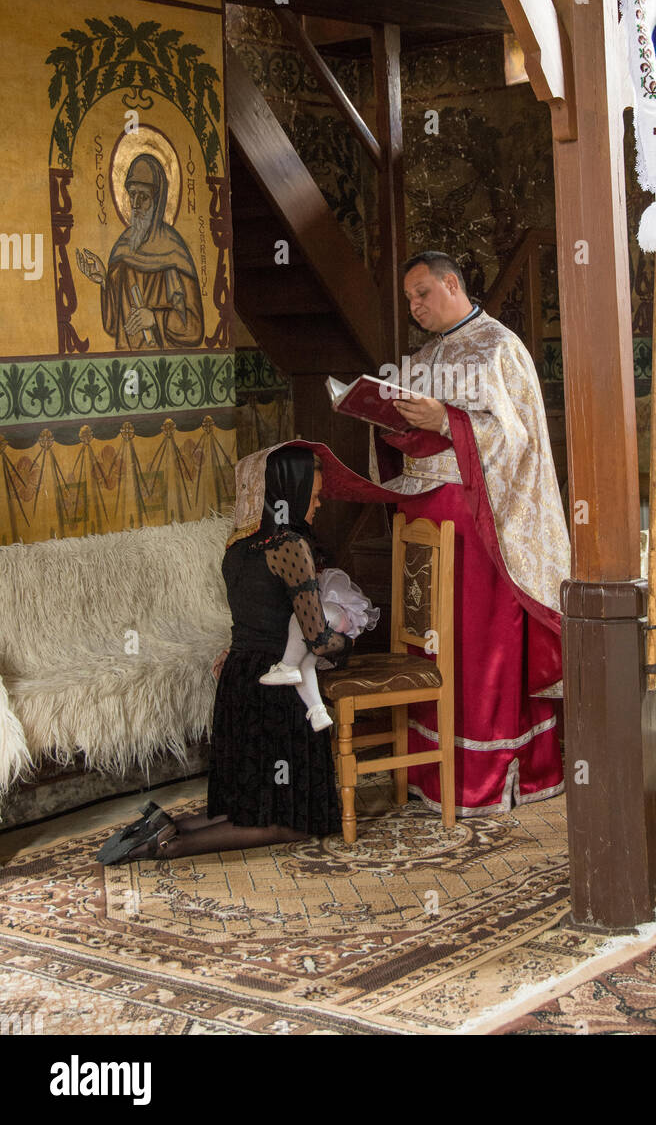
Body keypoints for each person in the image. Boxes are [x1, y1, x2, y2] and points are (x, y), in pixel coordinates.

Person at [370, 251, 571, 816]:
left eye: (421, 295)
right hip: (422, 519)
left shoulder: (499, 347)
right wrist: (387, 422)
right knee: (427, 641)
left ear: (451, 283)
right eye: (409, 300)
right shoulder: (422, 356)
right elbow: (411, 441)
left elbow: (518, 442)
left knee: (477, 644)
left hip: (481, 525)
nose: (414, 308)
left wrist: (447, 420)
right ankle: (426, 769)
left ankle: (487, 772)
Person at [96, 445, 348, 863]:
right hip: (277, 695)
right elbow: (317, 639)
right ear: (292, 493)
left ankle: (162, 824)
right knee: (296, 822)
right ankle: (171, 844)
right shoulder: (290, 547)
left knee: (245, 808)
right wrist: (348, 646)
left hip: (237, 683)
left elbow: (253, 621)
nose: (319, 503)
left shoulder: (238, 547)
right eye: (315, 494)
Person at [76, 152, 204, 349]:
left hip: (164, 363)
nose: (135, 205)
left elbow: (194, 329)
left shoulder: (174, 251)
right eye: (132, 195)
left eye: (143, 197)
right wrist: (104, 282)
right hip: (126, 361)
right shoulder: (123, 247)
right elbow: (113, 326)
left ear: (157, 201)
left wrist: (154, 318)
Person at [259, 567, 380, 732]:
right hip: (325, 632)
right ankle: (317, 710)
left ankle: (288, 665)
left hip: (333, 615)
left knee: (300, 620)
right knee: (306, 660)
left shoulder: (316, 579)